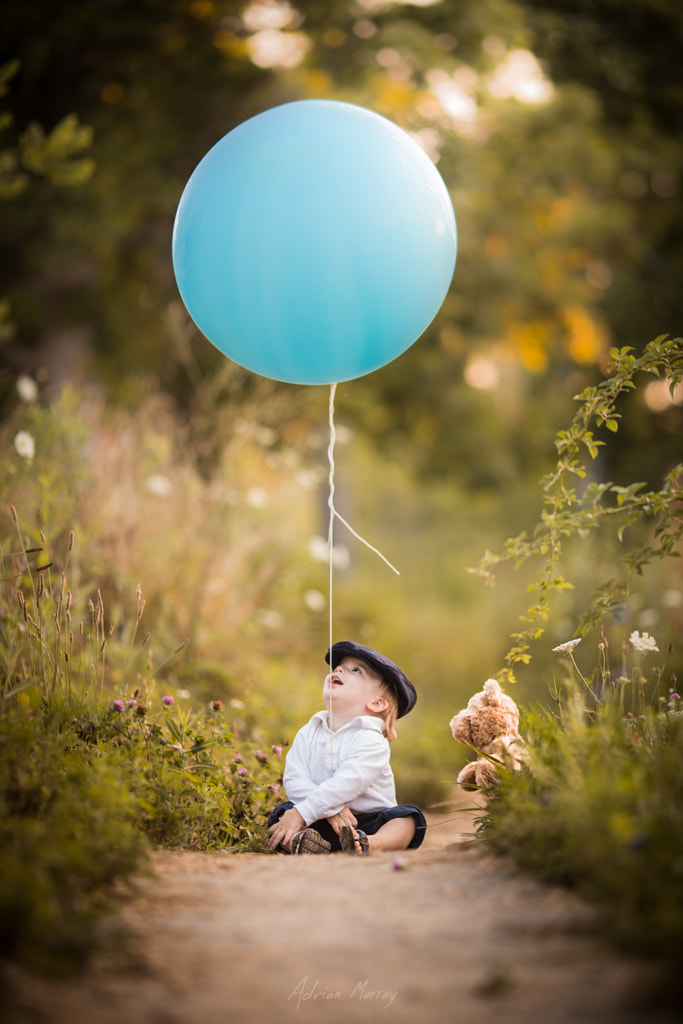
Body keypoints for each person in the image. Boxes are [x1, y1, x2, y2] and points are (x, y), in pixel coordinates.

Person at [267, 640, 427, 855]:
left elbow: (348, 782)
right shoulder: (308, 732)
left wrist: (311, 810)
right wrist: (329, 811)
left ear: (377, 703)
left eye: (356, 670)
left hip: (367, 822)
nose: (339, 670)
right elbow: (294, 778)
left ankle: (370, 843)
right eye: (339, 667)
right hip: (317, 819)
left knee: (407, 818)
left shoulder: (372, 740)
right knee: (283, 813)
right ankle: (301, 841)